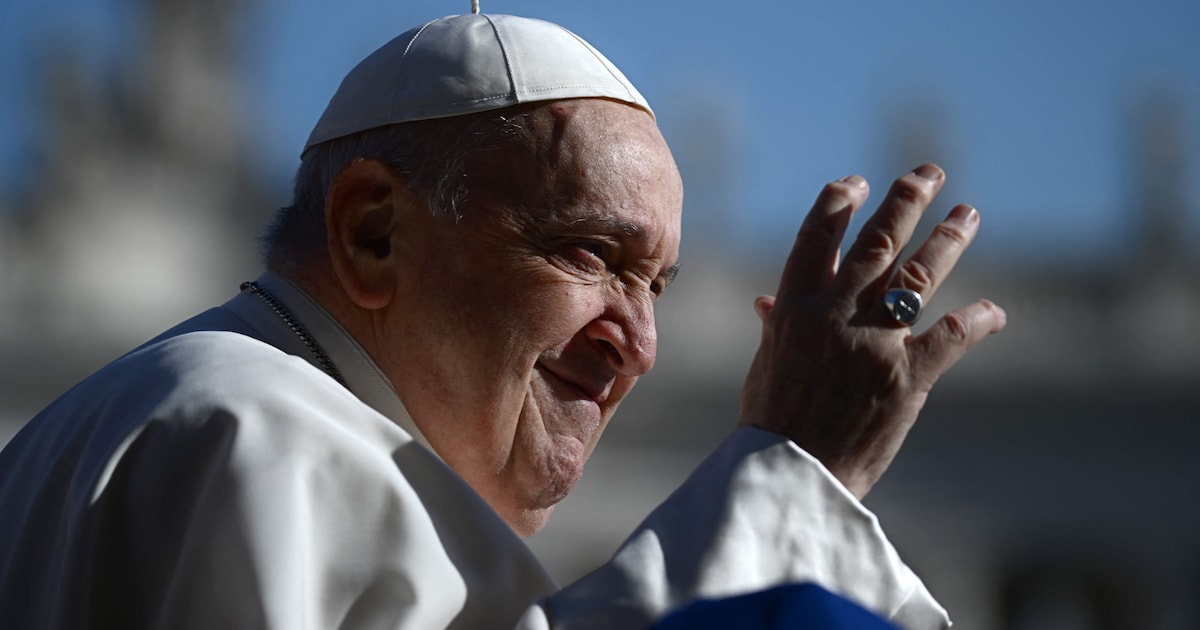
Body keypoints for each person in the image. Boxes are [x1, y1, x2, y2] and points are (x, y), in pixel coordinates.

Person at [0, 9, 1006, 630]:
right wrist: (794, 477)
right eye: (592, 256)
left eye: (655, 285)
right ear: (375, 234)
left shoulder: (98, 430)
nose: (639, 347)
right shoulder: (265, 441)